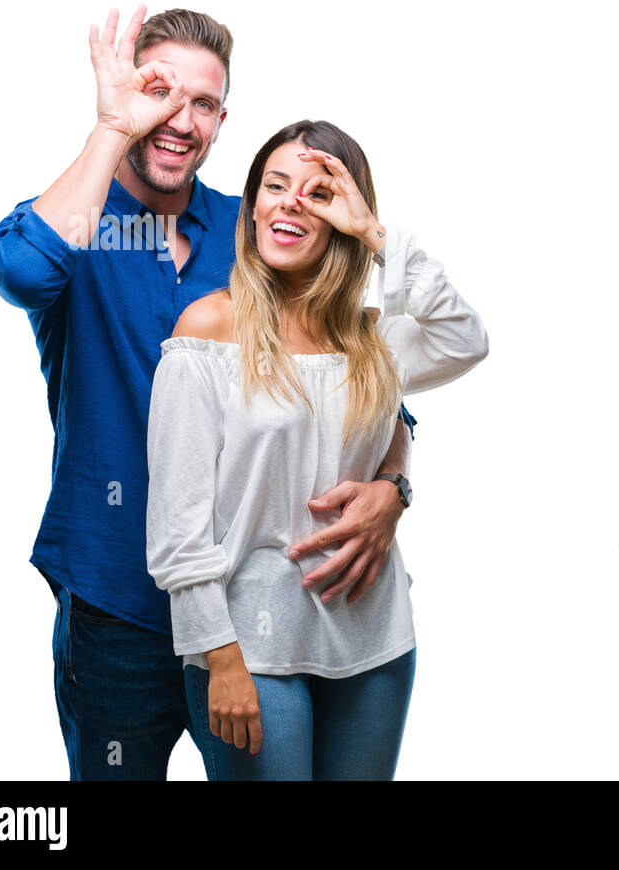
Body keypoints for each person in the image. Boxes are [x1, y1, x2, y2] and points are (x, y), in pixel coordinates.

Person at [0, 7, 418, 779]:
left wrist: (393, 485)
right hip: (119, 606)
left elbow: (366, 384)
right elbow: (22, 271)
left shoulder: (257, 228)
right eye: (159, 93)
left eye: (205, 105)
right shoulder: (80, 222)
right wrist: (113, 128)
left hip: (262, 616)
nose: (180, 120)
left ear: (224, 120)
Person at [146, 120, 487, 780]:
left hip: (373, 639)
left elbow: (465, 338)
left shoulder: (372, 338)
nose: (291, 203)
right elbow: (177, 528)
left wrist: (376, 235)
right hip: (249, 643)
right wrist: (219, 658)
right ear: (251, 206)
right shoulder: (210, 329)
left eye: (318, 193)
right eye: (275, 186)